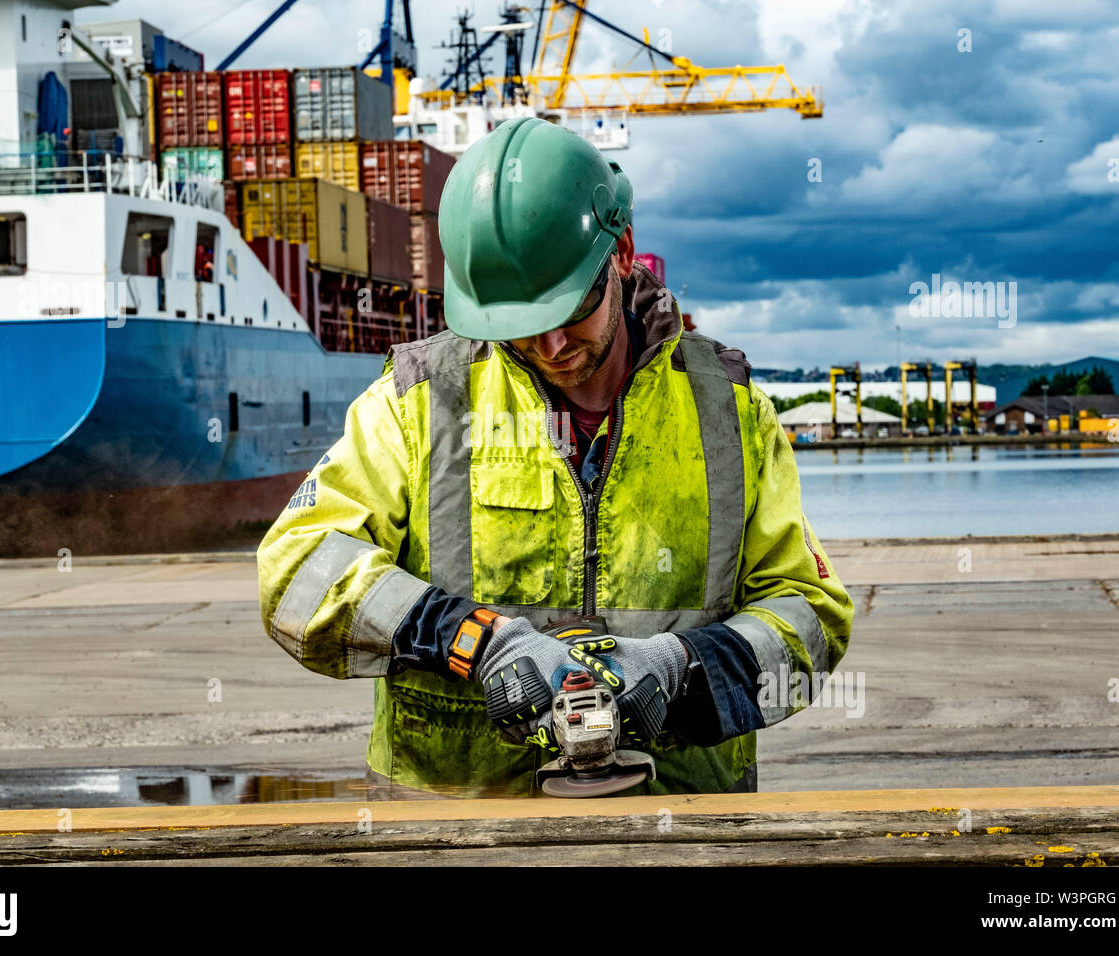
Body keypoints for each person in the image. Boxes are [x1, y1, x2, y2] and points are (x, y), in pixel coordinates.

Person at [257, 117, 854, 798]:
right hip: (452, 838)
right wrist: (468, 639)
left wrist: (683, 666)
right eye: (515, 326)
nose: (549, 345)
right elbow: (295, 570)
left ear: (622, 253)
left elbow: (810, 616)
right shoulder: (419, 403)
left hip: (681, 835)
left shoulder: (730, 411)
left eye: (571, 308)